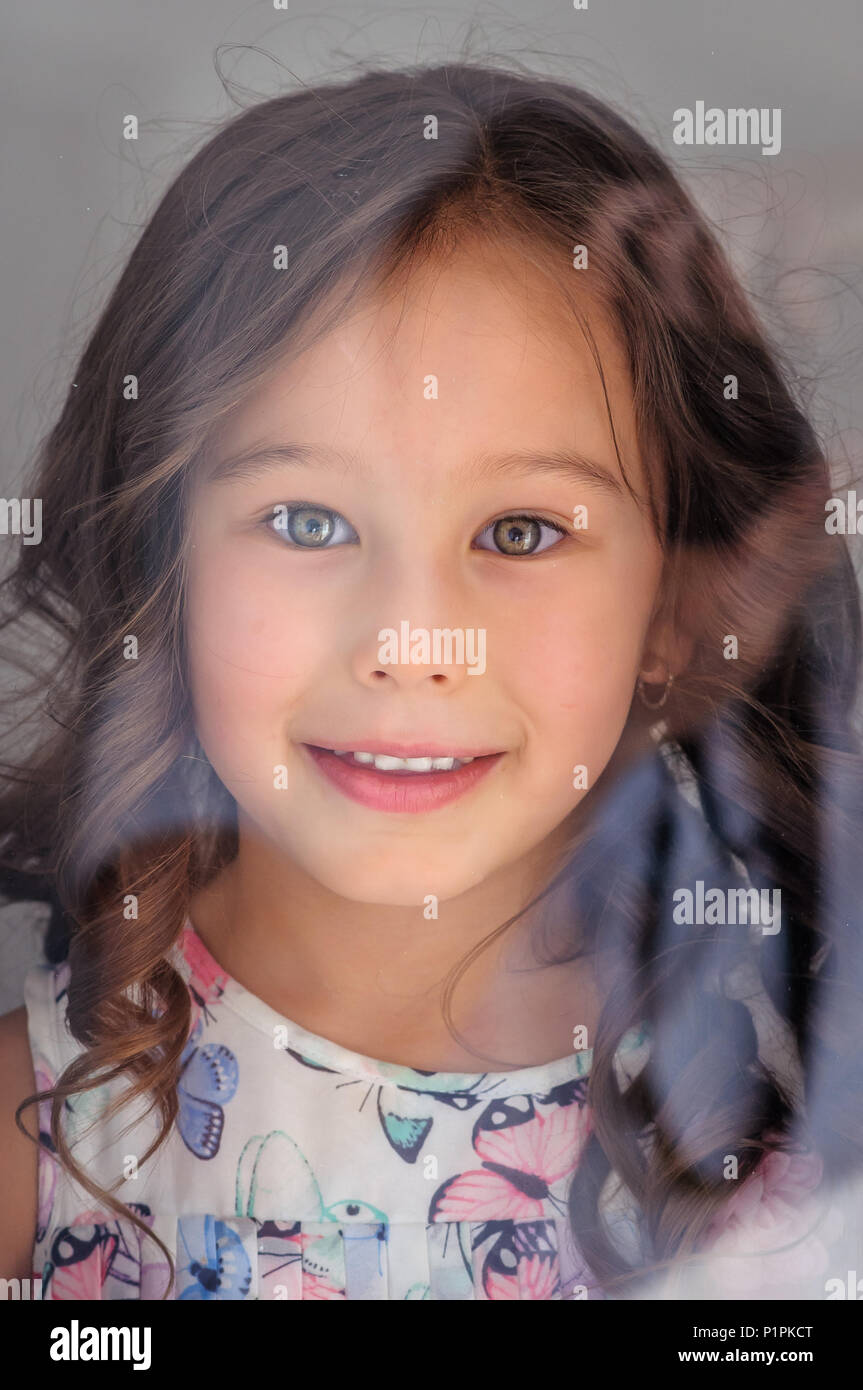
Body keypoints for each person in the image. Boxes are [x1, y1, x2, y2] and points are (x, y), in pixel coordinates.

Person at [0, 59, 861, 1301]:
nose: (414, 640)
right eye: (305, 521)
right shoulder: (33, 1155)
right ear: (165, 569)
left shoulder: (807, 1138)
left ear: (674, 610)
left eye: (519, 532)